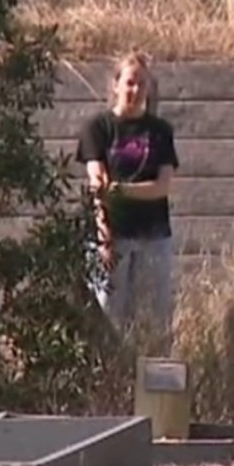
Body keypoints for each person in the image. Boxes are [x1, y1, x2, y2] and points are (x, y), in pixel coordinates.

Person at [76, 52, 180, 352]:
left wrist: (119, 190)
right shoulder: (98, 128)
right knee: (109, 321)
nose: (135, 91)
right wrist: (104, 235)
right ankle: (110, 385)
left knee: (155, 321)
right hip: (112, 236)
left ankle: (150, 387)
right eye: (130, 83)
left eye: (142, 84)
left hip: (154, 236)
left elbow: (162, 186)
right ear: (116, 85)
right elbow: (97, 185)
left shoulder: (160, 131)